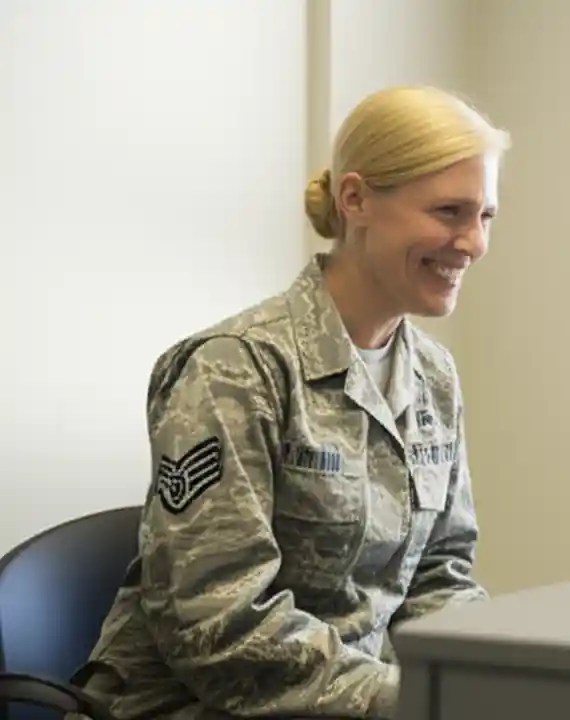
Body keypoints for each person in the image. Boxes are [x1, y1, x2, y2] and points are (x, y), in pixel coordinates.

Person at [72, 85, 509, 719]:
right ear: (355, 200)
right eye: (449, 211)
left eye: (486, 216)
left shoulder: (433, 377)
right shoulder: (234, 369)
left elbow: (440, 574)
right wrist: (412, 700)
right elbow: (218, 626)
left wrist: (484, 679)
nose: (473, 242)